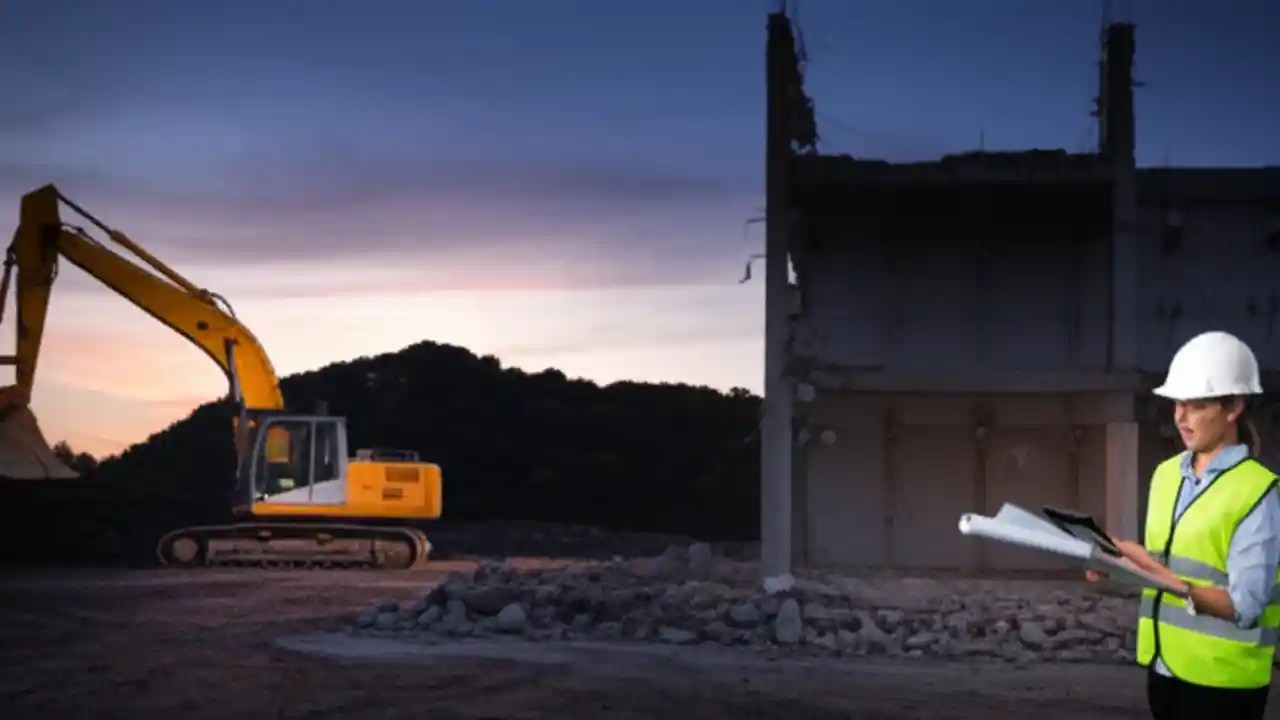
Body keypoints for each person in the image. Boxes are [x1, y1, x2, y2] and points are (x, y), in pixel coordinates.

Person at [1090, 330, 1280, 719]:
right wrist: (1116, 567)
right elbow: (1165, 567)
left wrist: (1162, 576)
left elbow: (1245, 605)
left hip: (1223, 683)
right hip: (1164, 668)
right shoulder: (1165, 475)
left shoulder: (1258, 492)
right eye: (1177, 403)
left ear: (1234, 408)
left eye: (1195, 405)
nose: (1179, 416)